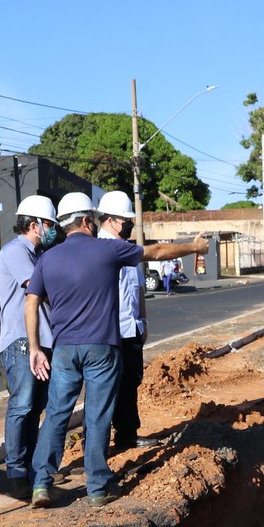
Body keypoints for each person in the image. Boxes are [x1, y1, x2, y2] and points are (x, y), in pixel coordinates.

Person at [24, 192, 209, 509]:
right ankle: (97, 487)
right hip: (102, 348)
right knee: (97, 415)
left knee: (56, 414)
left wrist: (35, 348)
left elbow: (31, 302)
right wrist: (194, 247)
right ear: (86, 221)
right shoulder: (107, 249)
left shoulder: (48, 259)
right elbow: (156, 251)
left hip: (64, 348)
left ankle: (41, 483)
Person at [0, 195, 59, 500]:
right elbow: (38, 290)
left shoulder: (38, 254)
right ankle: (16, 472)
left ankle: (32, 469)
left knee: (35, 407)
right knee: (21, 406)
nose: (52, 230)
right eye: (49, 224)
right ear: (34, 225)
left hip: (42, 340)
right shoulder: (15, 252)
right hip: (22, 342)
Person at [97, 190, 159, 451]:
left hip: (131, 329)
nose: (131, 225)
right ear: (110, 220)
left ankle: (127, 435)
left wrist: (142, 321)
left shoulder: (129, 252)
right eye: (126, 221)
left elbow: (138, 289)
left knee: (130, 382)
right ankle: (96, 442)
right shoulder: (100, 249)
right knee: (104, 388)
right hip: (108, 333)